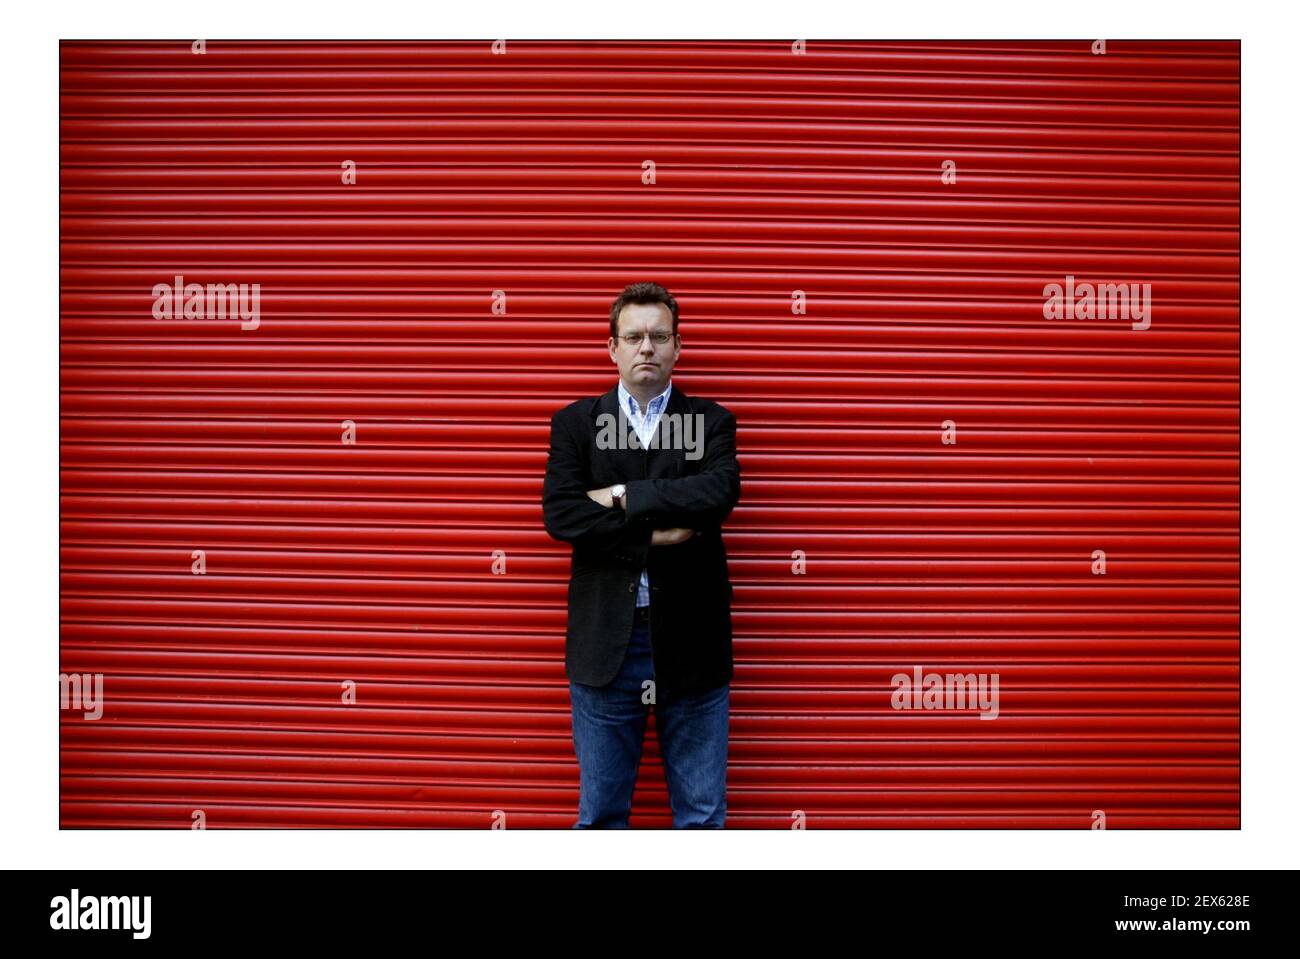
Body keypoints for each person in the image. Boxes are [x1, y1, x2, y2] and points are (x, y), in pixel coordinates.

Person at [541, 281, 742, 828]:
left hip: (692, 642)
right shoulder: (577, 425)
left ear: (678, 346)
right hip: (607, 643)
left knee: (701, 819)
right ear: (613, 347)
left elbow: (717, 494)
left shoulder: (711, 422)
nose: (646, 347)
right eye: (633, 336)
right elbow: (562, 515)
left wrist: (622, 496)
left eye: (659, 336)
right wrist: (655, 534)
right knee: (602, 819)